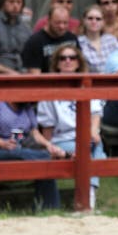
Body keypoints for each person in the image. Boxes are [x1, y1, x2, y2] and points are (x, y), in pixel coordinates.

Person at [37, 45, 106, 209]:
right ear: (57, 63)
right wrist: (50, 148)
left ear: (78, 62)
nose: (68, 61)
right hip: (62, 140)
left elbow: (96, 112)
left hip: (87, 137)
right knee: (95, 152)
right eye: (63, 58)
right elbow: (47, 129)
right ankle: (88, 196)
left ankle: (88, 194)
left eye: (72, 58)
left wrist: (94, 130)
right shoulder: (49, 90)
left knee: (95, 145)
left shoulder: (86, 83)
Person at [0, 100, 65, 209]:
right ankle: (49, 204)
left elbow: (34, 133)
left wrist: (49, 145)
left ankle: (47, 207)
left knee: (41, 160)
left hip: (14, 150)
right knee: (36, 156)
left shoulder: (26, 107)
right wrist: (2, 143)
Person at [21, 5, 79, 74]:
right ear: (48, 21)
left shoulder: (72, 39)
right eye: (58, 23)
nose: (62, 26)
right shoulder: (35, 42)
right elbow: (34, 76)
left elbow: (81, 67)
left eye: (65, 23)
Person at [78, 4, 118, 73]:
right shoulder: (78, 42)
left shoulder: (111, 41)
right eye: (90, 18)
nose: (94, 22)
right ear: (84, 21)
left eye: (98, 19)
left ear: (103, 22)